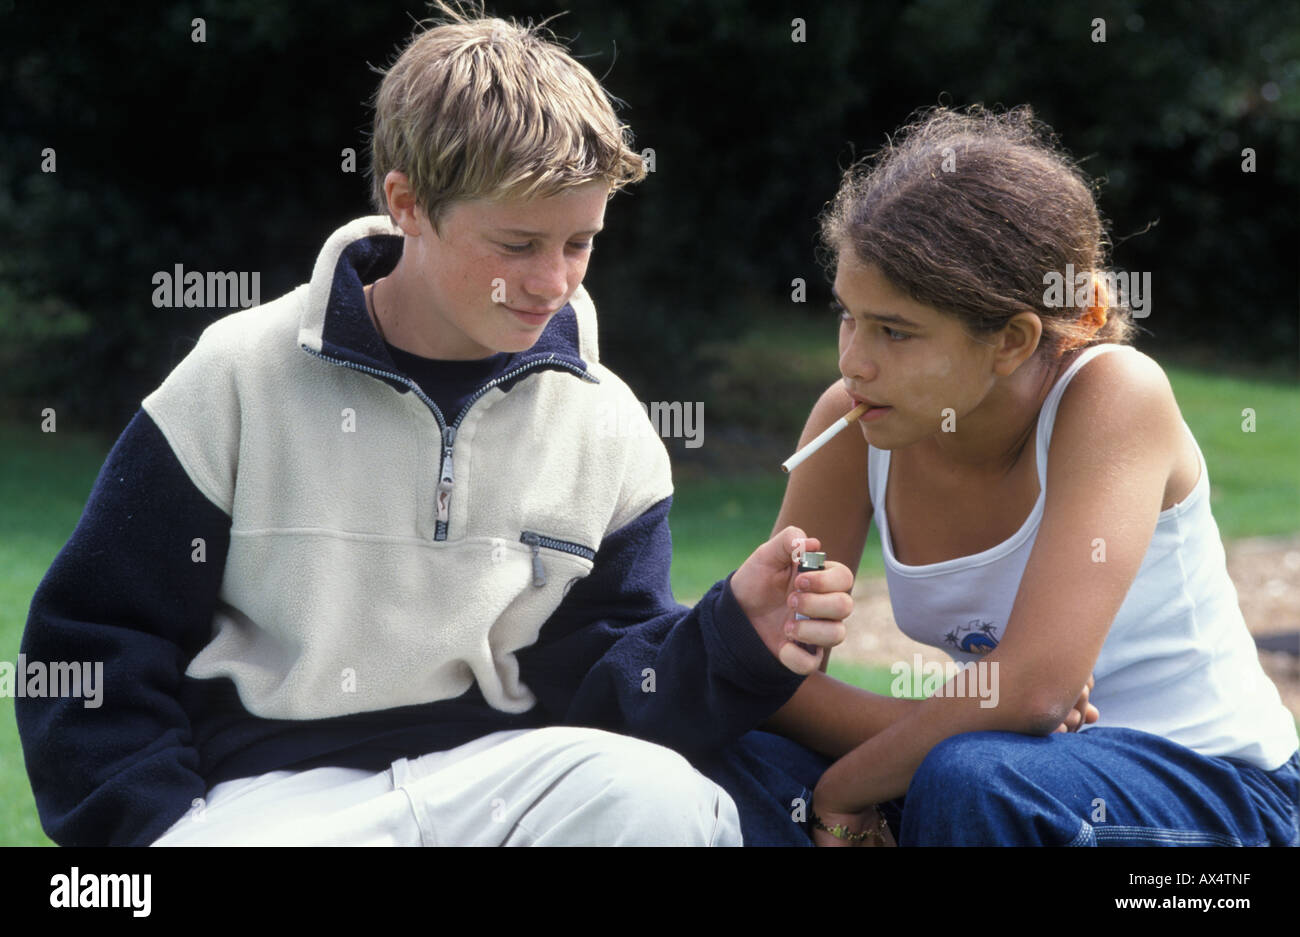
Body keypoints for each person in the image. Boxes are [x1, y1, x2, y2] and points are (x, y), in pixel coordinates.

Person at [15, 5, 854, 847]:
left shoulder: (608, 426)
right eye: (519, 243)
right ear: (407, 203)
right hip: (267, 805)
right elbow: (92, 639)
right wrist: (151, 827)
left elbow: (611, 693)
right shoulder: (235, 375)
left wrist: (732, 632)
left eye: (580, 242)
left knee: (658, 796)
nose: (553, 280)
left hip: (507, 783)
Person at [763, 104, 1300, 846]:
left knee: (969, 779)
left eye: (894, 330)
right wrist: (948, 723)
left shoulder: (1113, 396)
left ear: (1012, 339)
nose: (853, 358)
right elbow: (776, 677)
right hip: (1016, 770)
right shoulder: (850, 425)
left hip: (1222, 799)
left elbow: (1038, 689)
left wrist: (850, 781)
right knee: (752, 759)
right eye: (848, 316)